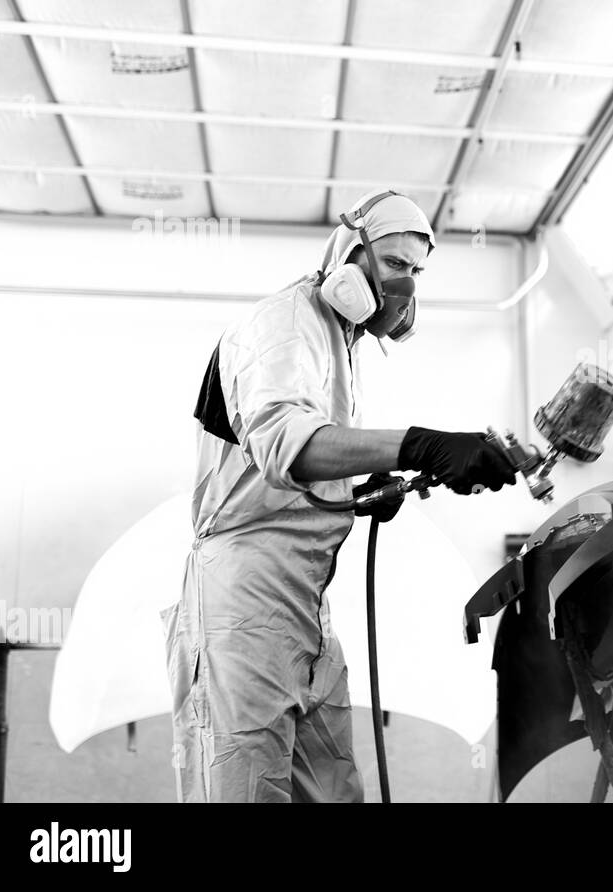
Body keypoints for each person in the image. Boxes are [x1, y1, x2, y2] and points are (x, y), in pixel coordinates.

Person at [163, 189, 516, 802]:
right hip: (243, 597)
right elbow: (285, 445)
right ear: (350, 258)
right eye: (393, 265)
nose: (405, 286)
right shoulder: (283, 321)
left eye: (415, 271)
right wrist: (420, 447)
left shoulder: (338, 344)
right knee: (244, 787)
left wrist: (362, 484)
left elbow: (318, 454)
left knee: (332, 791)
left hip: (307, 602)